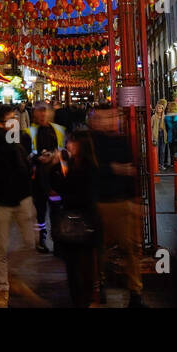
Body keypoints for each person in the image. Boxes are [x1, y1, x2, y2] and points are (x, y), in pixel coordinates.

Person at [0, 104, 36, 308]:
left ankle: (9, 270)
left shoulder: (23, 138)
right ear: (0, 123)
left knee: (30, 241)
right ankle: (2, 289)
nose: (15, 122)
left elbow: (26, 164)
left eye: (15, 118)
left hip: (23, 197)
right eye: (11, 119)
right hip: (0, 201)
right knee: (0, 247)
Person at [89, 107, 146, 307]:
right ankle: (99, 287)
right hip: (100, 203)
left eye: (113, 116)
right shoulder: (90, 142)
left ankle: (135, 294)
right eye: (105, 117)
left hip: (122, 202)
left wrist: (135, 200)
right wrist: (114, 169)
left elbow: (131, 170)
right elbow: (89, 170)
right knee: (99, 250)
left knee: (131, 249)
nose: (110, 121)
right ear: (95, 120)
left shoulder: (122, 141)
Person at [46, 130, 101, 308]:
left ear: (81, 145)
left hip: (83, 224)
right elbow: (58, 186)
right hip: (74, 223)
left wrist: (64, 193)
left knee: (81, 268)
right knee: (74, 268)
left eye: (71, 143)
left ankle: (84, 300)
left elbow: (77, 193)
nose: (68, 146)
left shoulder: (87, 167)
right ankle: (80, 299)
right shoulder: (73, 163)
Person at [28, 101, 66, 254]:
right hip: (38, 179)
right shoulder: (29, 132)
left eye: (45, 112)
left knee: (56, 212)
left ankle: (58, 242)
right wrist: (37, 158)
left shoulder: (59, 131)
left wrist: (57, 155)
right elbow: (26, 153)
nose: (43, 116)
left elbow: (65, 150)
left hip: (55, 178)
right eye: (39, 113)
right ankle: (41, 239)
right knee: (40, 212)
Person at [152, 99, 169, 169]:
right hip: (156, 134)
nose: (159, 109)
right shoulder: (153, 117)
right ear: (156, 108)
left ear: (163, 109)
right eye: (158, 108)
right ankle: (157, 164)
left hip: (163, 134)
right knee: (157, 150)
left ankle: (161, 164)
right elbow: (151, 126)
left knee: (162, 150)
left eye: (161, 108)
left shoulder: (165, 117)